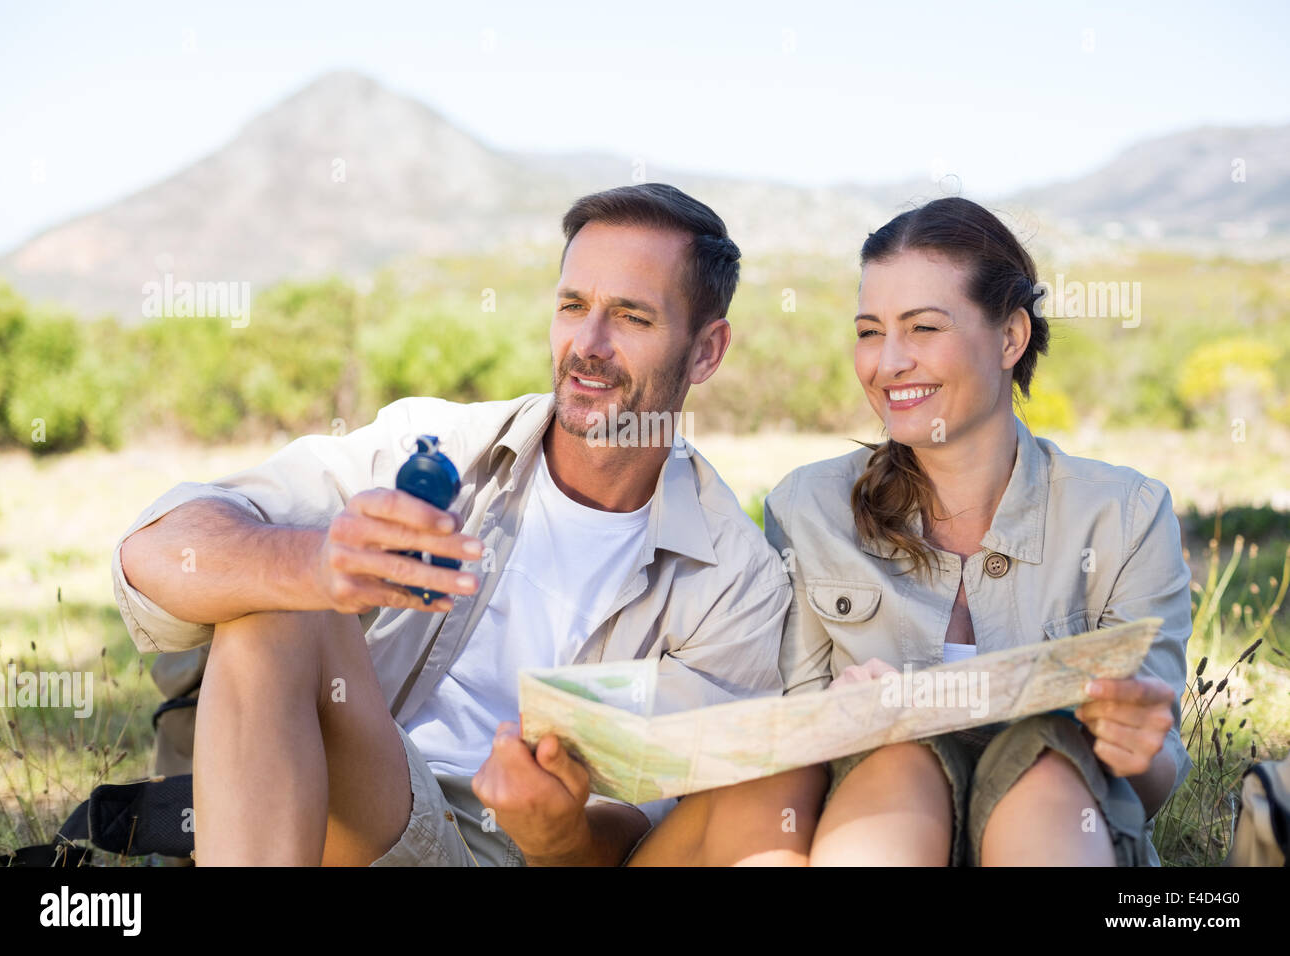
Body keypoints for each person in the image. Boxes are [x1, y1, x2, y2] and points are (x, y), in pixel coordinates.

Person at [112, 183, 792, 867]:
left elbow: (649, 837)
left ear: (706, 351)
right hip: (366, 813)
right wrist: (312, 564)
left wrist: (560, 831)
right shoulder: (433, 444)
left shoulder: (738, 584)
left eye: (632, 318)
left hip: (525, 858)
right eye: (573, 305)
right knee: (283, 602)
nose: (588, 344)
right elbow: (152, 550)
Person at [628, 196, 1192, 867]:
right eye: (870, 331)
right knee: (900, 758)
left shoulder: (1126, 515)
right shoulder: (807, 510)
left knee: (1044, 766)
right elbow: (786, 759)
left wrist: (1141, 743)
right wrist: (832, 718)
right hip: (878, 812)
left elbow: (1153, 781)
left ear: (1010, 338)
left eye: (922, 328)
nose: (888, 362)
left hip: (1060, 824)